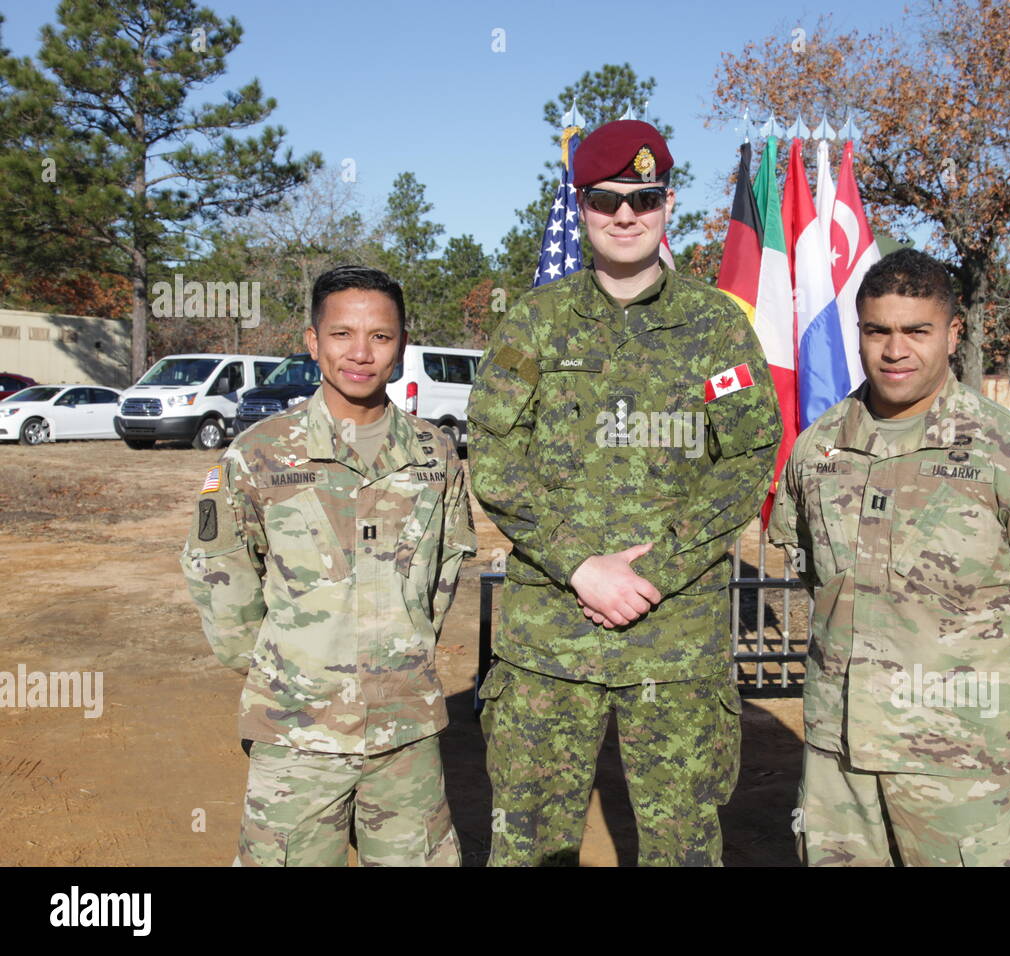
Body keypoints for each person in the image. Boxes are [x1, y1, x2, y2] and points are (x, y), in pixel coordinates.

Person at [468, 119, 780, 866]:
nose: (626, 215)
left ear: (668, 204)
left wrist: (653, 571)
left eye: (644, 197)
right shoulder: (536, 324)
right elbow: (493, 452)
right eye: (607, 199)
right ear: (581, 206)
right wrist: (580, 564)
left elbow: (750, 455)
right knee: (529, 846)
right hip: (552, 642)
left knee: (683, 850)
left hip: (674, 646)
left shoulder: (715, 328)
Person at [769, 249, 1010, 867]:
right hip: (839, 761)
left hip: (963, 765)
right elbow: (811, 571)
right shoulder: (819, 449)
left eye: (916, 331)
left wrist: (985, 684)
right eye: (878, 331)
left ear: (952, 334)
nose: (895, 350)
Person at [181, 265, 475, 866]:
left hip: (405, 733)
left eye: (381, 337)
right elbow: (222, 575)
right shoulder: (259, 453)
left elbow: (444, 572)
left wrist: (399, 649)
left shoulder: (433, 453)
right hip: (297, 735)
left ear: (402, 345)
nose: (361, 353)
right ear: (313, 341)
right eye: (341, 335)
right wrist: (289, 668)